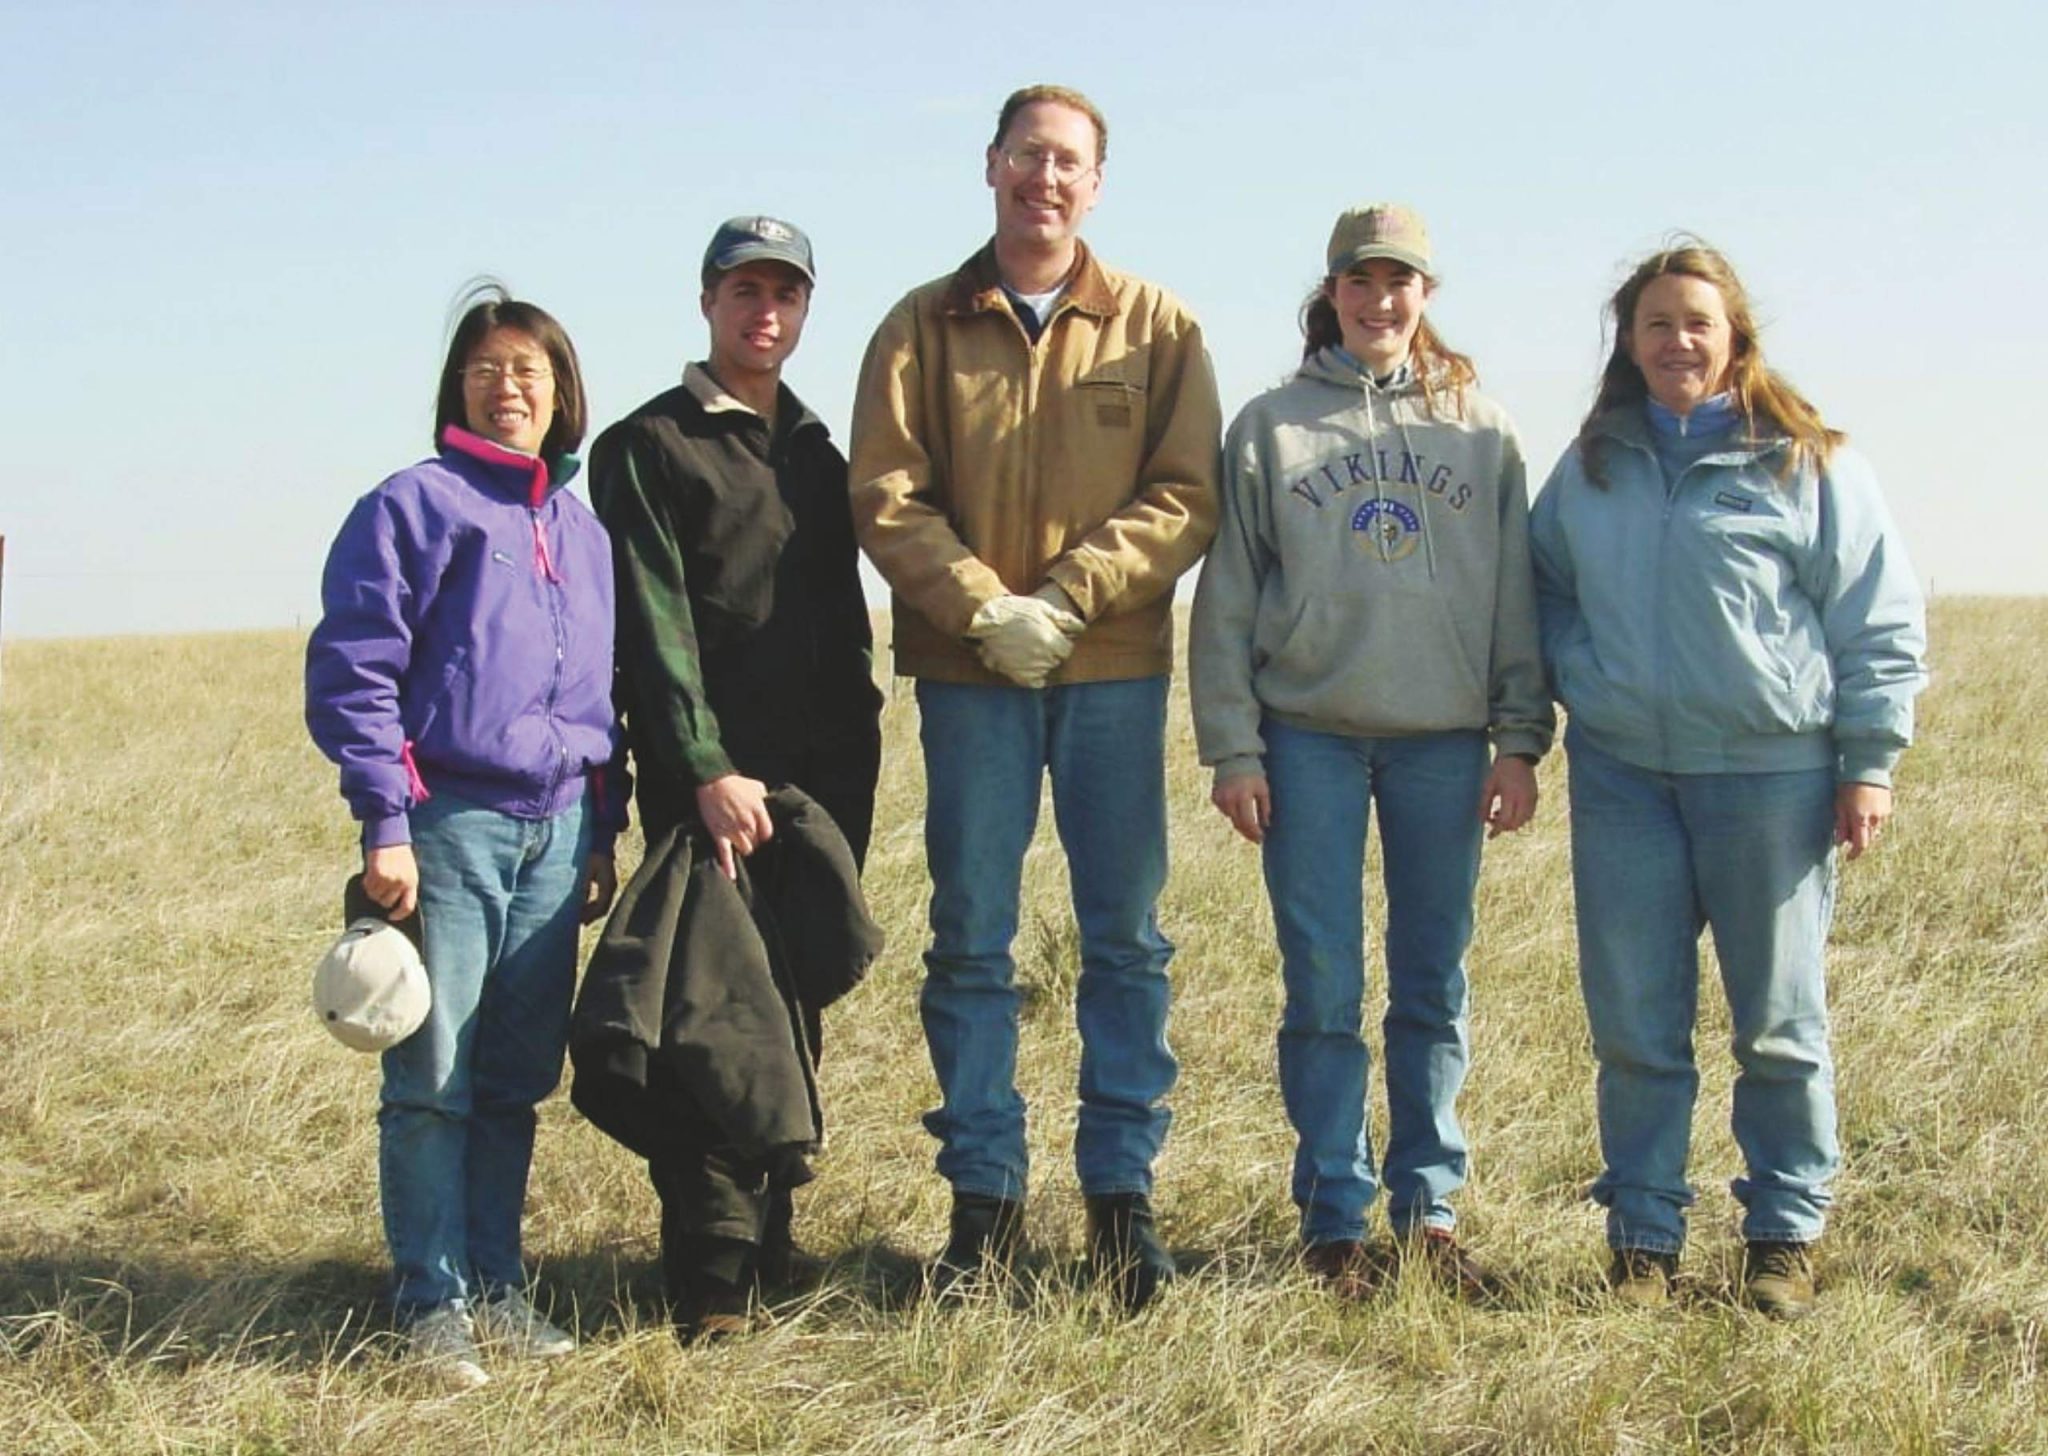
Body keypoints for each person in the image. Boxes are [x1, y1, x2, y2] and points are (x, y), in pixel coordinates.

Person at [848, 83, 1221, 1312]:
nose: (1043, 179)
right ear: (990, 167)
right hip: (971, 681)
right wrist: (979, 610)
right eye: (1025, 157)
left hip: (1109, 672)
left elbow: (1184, 494)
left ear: (1096, 183)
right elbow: (885, 496)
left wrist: (1063, 599)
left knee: (1125, 939)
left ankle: (1121, 1198)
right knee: (969, 942)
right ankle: (985, 1205)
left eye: (1067, 162)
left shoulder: (1158, 327)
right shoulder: (917, 326)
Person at [1529, 239, 1928, 1318]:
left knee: (1776, 1022)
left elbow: (1875, 618)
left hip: (1770, 780)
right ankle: (1643, 1241)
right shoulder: (1589, 464)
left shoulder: (1806, 460)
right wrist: (1579, 677)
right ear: (1627, 343)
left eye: (1696, 322)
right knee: (1632, 1023)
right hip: (1622, 779)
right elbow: (1545, 591)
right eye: (1654, 324)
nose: (1676, 342)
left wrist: (1869, 761)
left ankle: (1780, 1236)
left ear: (1734, 336)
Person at [1188, 203, 1553, 1302]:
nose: (1379, 299)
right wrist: (1231, 748)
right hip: (1307, 741)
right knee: (1322, 984)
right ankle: (1333, 1217)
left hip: (1441, 743)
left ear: (1424, 295)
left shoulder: (1479, 430)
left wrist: (1518, 736)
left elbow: (1512, 600)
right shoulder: (1269, 427)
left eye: (1400, 282)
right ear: (1331, 291)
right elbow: (1227, 599)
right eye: (1360, 280)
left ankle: (1427, 1212)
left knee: (1432, 983)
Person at [305, 285, 623, 1388]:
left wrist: (600, 833)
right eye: (487, 369)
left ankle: (499, 1282)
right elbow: (357, 668)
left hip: (557, 826)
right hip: (446, 825)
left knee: (516, 1076)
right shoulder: (412, 505)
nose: (509, 388)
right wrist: (384, 821)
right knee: (431, 1073)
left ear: (561, 392)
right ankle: (428, 1301)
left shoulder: (581, 530)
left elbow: (601, 696)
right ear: (458, 386)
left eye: (529, 370)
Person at [584, 216, 882, 1338]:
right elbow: (653, 629)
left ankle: (769, 1242)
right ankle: (708, 1279)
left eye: (786, 295)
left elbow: (843, 624)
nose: (766, 313)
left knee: (791, 1007)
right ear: (705, 301)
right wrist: (702, 767)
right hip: (708, 788)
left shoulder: (813, 448)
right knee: (710, 1019)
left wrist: (851, 768)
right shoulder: (648, 447)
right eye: (745, 290)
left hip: (814, 791)